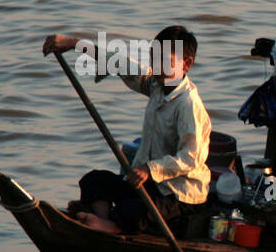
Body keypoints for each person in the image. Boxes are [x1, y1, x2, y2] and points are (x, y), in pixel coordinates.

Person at [41, 25, 211, 235]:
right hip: (151, 186)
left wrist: (149, 169)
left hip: (179, 196)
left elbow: (191, 158)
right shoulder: (157, 86)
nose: (157, 66)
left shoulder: (188, 104)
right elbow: (122, 63)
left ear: (187, 64)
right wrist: (75, 44)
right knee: (94, 180)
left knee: (132, 210)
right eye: (154, 58)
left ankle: (112, 224)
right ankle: (105, 221)